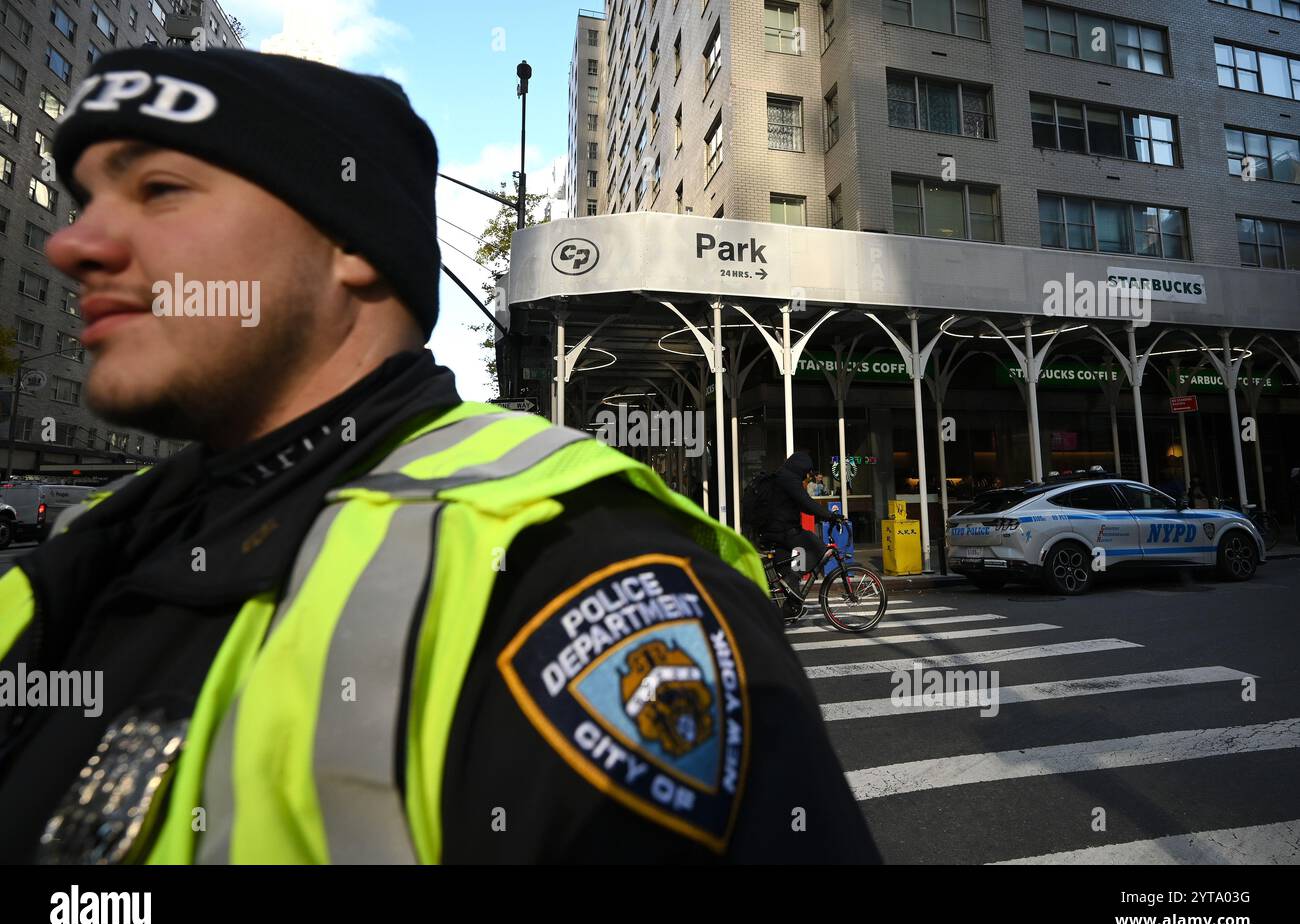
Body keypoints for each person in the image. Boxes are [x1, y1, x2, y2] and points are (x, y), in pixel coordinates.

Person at [0, 49, 878, 864]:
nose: (74, 245)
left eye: (160, 190)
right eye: (83, 201)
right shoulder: (84, 546)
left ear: (349, 243)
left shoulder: (580, 567)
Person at [753, 451, 844, 597]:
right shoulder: (789, 480)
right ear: (801, 468)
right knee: (818, 547)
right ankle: (793, 578)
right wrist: (830, 516)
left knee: (788, 570)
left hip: (772, 531)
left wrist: (821, 516)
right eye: (807, 472)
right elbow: (806, 502)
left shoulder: (782, 476)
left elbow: (802, 506)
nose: (807, 476)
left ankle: (788, 609)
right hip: (782, 531)